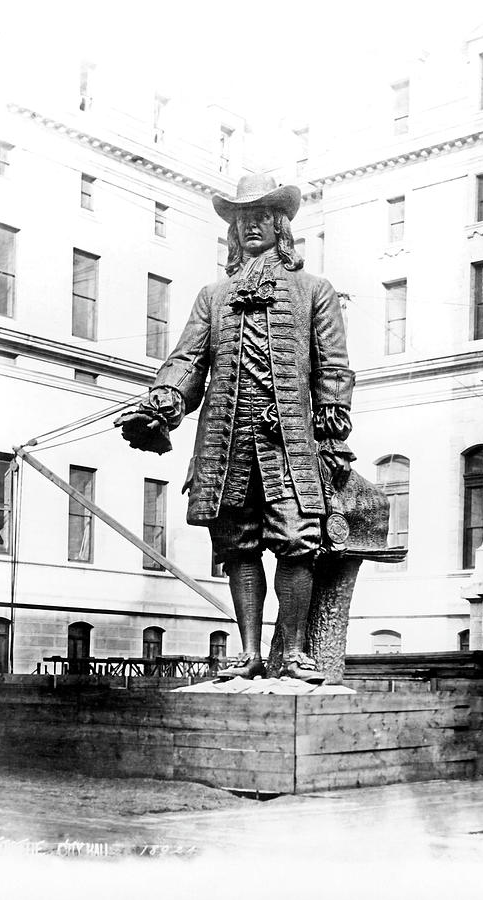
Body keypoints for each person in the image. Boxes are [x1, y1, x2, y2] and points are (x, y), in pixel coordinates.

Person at [116, 174, 354, 682]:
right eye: (243, 218)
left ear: (281, 224)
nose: (251, 225)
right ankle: (248, 653)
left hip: (289, 443)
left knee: (297, 540)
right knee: (237, 546)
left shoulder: (315, 291)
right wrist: (163, 402)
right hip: (226, 445)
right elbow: (187, 361)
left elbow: (333, 367)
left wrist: (333, 433)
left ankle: (291, 654)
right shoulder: (213, 296)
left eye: (263, 215)